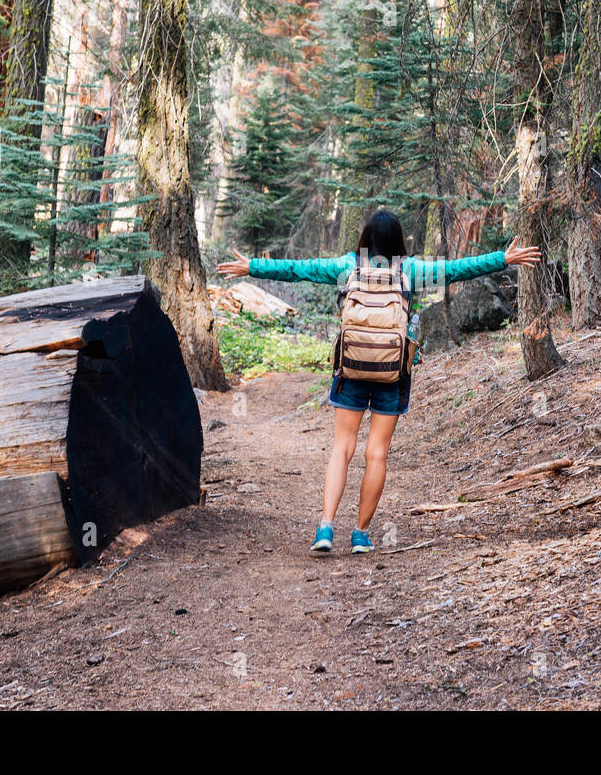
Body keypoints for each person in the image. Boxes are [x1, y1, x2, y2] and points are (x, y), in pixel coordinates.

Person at [216, 210, 542, 554]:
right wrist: (504, 258)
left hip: (351, 368)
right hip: (392, 373)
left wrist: (252, 266)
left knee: (342, 447)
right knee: (376, 454)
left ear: (365, 237)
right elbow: (458, 268)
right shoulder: (411, 271)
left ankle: (325, 528)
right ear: (398, 239)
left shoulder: (348, 267)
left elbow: (299, 269)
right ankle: (360, 534)